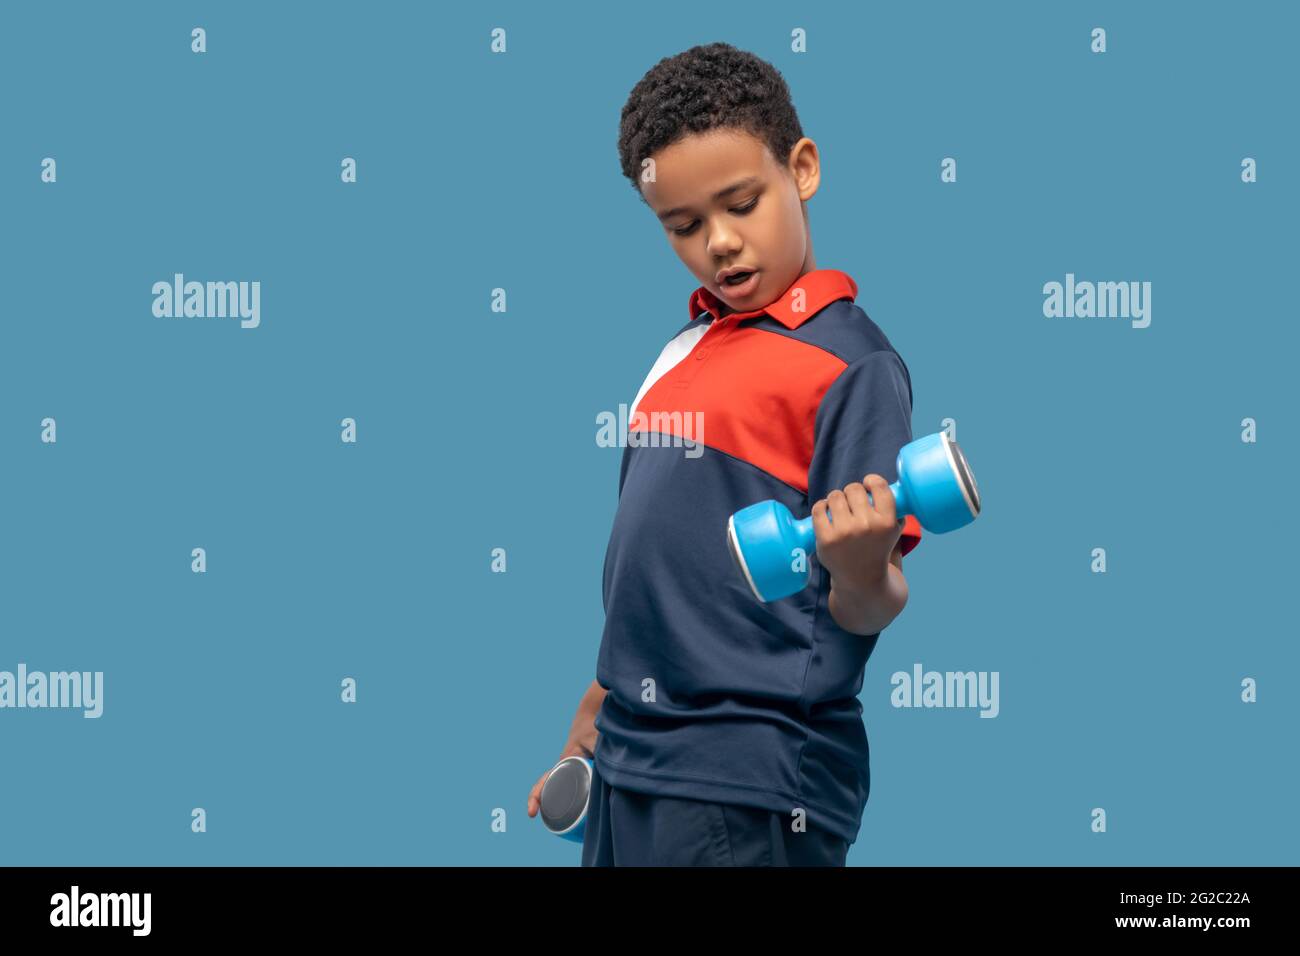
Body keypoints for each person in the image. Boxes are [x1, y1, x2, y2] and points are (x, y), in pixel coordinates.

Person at [528, 41, 923, 866]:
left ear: (802, 170)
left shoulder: (852, 362)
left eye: (742, 204)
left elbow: (870, 603)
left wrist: (857, 567)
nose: (720, 242)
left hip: (750, 772)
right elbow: (652, 559)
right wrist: (596, 706)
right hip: (631, 757)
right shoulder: (678, 354)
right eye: (685, 225)